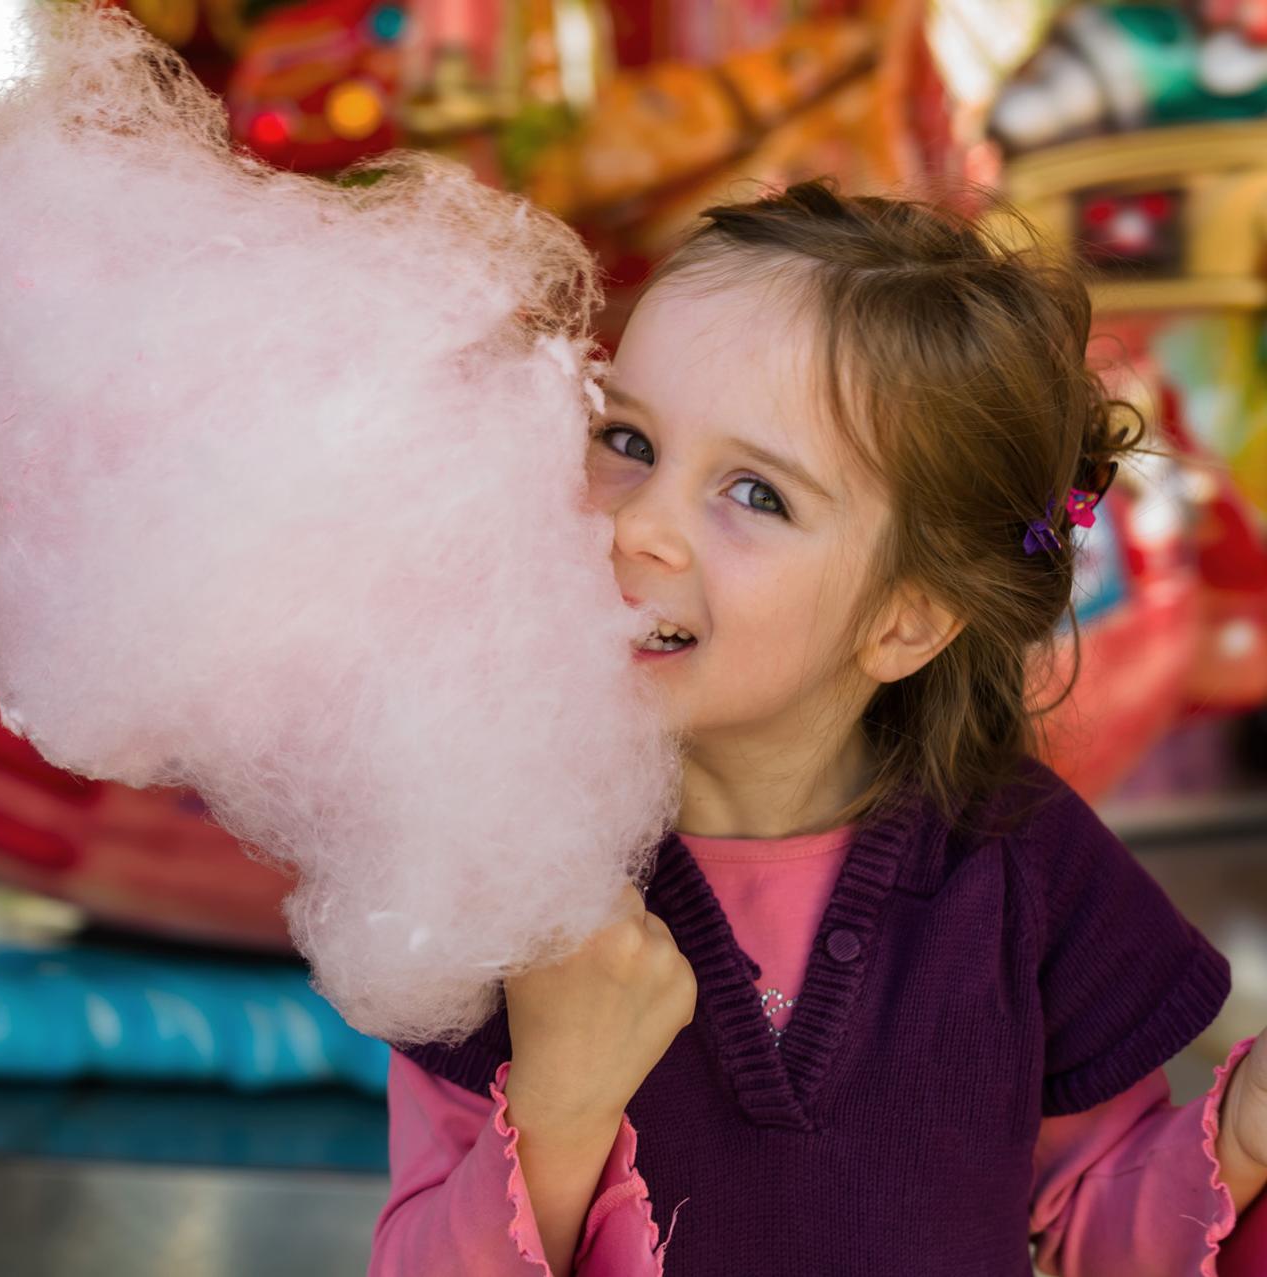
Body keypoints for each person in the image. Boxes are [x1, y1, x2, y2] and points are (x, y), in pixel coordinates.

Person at [374, 182, 1267, 1274]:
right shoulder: (505, 876)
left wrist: (1240, 1135)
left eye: (756, 493)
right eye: (628, 437)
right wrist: (560, 1097)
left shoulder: (1027, 873)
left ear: (905, 620)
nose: (638, 524)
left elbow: (1097, 1232)